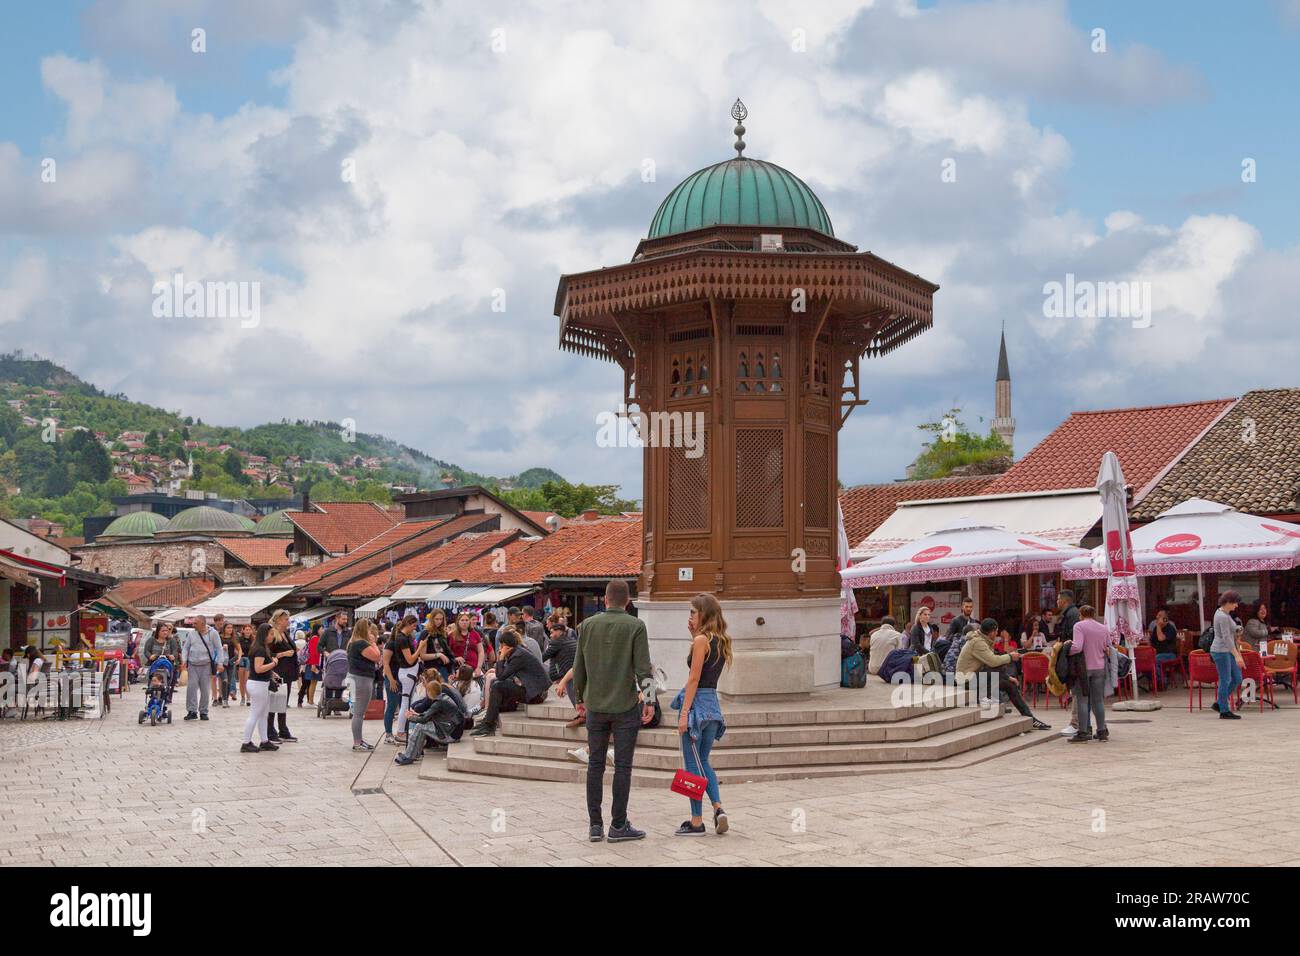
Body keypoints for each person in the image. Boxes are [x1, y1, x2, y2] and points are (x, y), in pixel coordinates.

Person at [571, 579, 653, 844]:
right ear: (628, 601)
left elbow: (579, 666)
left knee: (595, 765)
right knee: (623, 767)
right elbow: (643, 669)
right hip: (625, 705)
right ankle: (618, 824)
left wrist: (580, 699)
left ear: (605, 599)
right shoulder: (636, 626)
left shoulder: (588, 626)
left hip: (595, 705)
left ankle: (595, 825)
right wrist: (649, 700)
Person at [672, 593, 731, 837]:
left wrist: (684, 712)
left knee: (692, 766)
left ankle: (697, 821)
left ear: (703, 615)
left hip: (697, 706)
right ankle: (718, 808)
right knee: (703, 761)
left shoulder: (701, 640)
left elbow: (695, 678)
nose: (689, 617)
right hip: (713, 706)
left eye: (692, 613)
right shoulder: (721, 640)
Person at [956, 618, 1051, 731]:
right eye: (996, 631)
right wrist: (1011, 657)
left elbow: (993, 663)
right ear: (991, 632)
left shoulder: (983, 639)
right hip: (966, 680)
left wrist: (1007, 677)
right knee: (994, 670)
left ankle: (1030, 718)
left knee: (1010, 685)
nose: (997, 634)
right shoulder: (977, 642)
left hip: (976, 676)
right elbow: (993, 662)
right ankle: (983, 698)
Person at [469, 630, 550, 737]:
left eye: (501, 645)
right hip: (534, 691)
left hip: (538, 694)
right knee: (497, 683)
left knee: (498, 685)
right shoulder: (517, 652)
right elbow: (501, 674)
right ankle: (488, 722)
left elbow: (501, 676)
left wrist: (501, 657)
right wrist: (501, 658)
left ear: (504, 645)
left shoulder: (518, 655)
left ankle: (489, 724)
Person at [394, 671, 468, 766]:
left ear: (430, 692)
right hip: (453, 731)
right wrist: (415, 714)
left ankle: (409, 756)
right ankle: (414, 753)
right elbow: (427, 715)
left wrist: (410, 717)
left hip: (450, 735)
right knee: (421, 727)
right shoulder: (442, 697)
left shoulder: (438, 703)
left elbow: (424, 719)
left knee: (420, 726)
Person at [1065, 605, 1115, 742]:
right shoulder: (1103, 628)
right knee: (1098, 701)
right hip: (1099, 667)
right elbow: (1108, 647)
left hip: (1083, 668)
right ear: (1093, 614)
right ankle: (1101, 731)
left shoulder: (1079, 626)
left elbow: (1077, 647)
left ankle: (1083, 732)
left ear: (1081, 614)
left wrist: (1066, 648)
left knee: (1082, 700)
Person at [240, 623, 287, 753]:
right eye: (271, 634)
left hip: (261, 683)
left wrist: (272, 672)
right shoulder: (260, 649)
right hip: (258, 684)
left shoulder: (261, 647)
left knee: (263, 714)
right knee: (255, 714)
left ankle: (265, 741)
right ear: (264, 635)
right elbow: (258, 668)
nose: (272, 636)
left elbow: (260, 668)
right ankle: (246, 742)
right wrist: (274, 663)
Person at [382, 615, 424, 745]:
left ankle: (401, 731)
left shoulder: (404, 639)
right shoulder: (392, 643)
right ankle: (389, 733)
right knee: (392, 705)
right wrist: (391, 680)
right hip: (393, 677)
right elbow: (386, 663)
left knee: (402, 704)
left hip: (400, 675)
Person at [346, 619, 383, 750]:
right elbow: (377, 656)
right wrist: (373, 642)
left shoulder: (353, 642)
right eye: (369, 630)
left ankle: (359, 740)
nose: (371, 632)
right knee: (359, 713)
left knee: (358, 712)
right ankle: (357, 742)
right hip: (361, 679)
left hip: (357, 678)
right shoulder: (361, 643)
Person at [265, 610, 299, 743]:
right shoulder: (273, 634)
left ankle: (283, 730)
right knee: (274, 702)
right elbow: (269, 654)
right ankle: (270, 731)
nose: (288, 621)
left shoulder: (286, 634)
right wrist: (284, 654)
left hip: (288, 672)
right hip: (278, 672)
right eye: (285, 619)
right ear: (278, 620)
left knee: (283, 703)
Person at [1211, 591, 1245, 720]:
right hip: (1221, 650)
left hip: (1227, 650)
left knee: (1237, 678)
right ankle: (1224, 710)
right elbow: (1226, 638)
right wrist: (1237, 655)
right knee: (1225, 680)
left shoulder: (1224, 613)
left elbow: (1230, 631)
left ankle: (1219, 702)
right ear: (1229, 602)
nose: (1236, 606)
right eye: (1235, 603)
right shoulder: (1223, 616)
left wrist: (1237, 629)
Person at [181, 614, 221, 721]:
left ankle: (203, 711)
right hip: (193, 664)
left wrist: (220, 663)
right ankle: (192, 711)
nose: (193, 625)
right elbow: (185, 648)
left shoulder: (213, 633)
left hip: (206, 665)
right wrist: (184, 660)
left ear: (202, 623)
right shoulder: (191, 634)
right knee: (191, 688)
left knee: (205, 689)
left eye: (195, 623)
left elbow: (219, 648)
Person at [544, 618, 579, 719]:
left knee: (572, 694)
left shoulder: (557, 642)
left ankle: (581, 715)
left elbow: (544, 656)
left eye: (552, 632)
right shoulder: (571, 639)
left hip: (569, 671)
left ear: (559, 632)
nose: (550, 635)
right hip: (575, 669)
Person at [298, 625, 321, 707]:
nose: (322, 630)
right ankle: (310, 701)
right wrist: (314, 664)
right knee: (313, 683)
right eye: (321, 628)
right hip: (313, 663)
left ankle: (310, 700)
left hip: (312, 663)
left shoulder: (313, 638)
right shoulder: (315, 638)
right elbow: (314, 652)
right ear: (317, 629)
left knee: (312, 683)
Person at [219, 621, 241, 705]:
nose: (230, 629)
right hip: (221, 662)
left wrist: (238, 658)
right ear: (224, 629)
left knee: (228, 682)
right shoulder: (219, 637)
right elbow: (215, 648)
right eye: (228, 627)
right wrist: (222, 647)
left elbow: (239, 650)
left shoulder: (234, 638)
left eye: (231, 628)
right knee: (224, 680)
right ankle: (224, 699)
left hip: (231, 662)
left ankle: (226, 700)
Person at [209, 614, 228, 705]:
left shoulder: (225, 631)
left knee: (221, 677)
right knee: (213, 678)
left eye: (222, 620)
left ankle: (220, 696)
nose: (221, 622)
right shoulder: (211, 631)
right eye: (219, 620)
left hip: (223, 657)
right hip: (213, 657)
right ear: (215, 621)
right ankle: (215, 698)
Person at [237, 622, 253, 705]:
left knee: (247, 680)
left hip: (249, 660)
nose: (248, 631)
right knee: (241, 681)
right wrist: (239, 654)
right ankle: (242, 698)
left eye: (249, 629)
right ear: (243, 631)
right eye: (246, 630)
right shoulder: (240, 639)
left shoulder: (253, 640)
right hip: (242, 660)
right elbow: (237, 649)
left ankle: (248, 698)